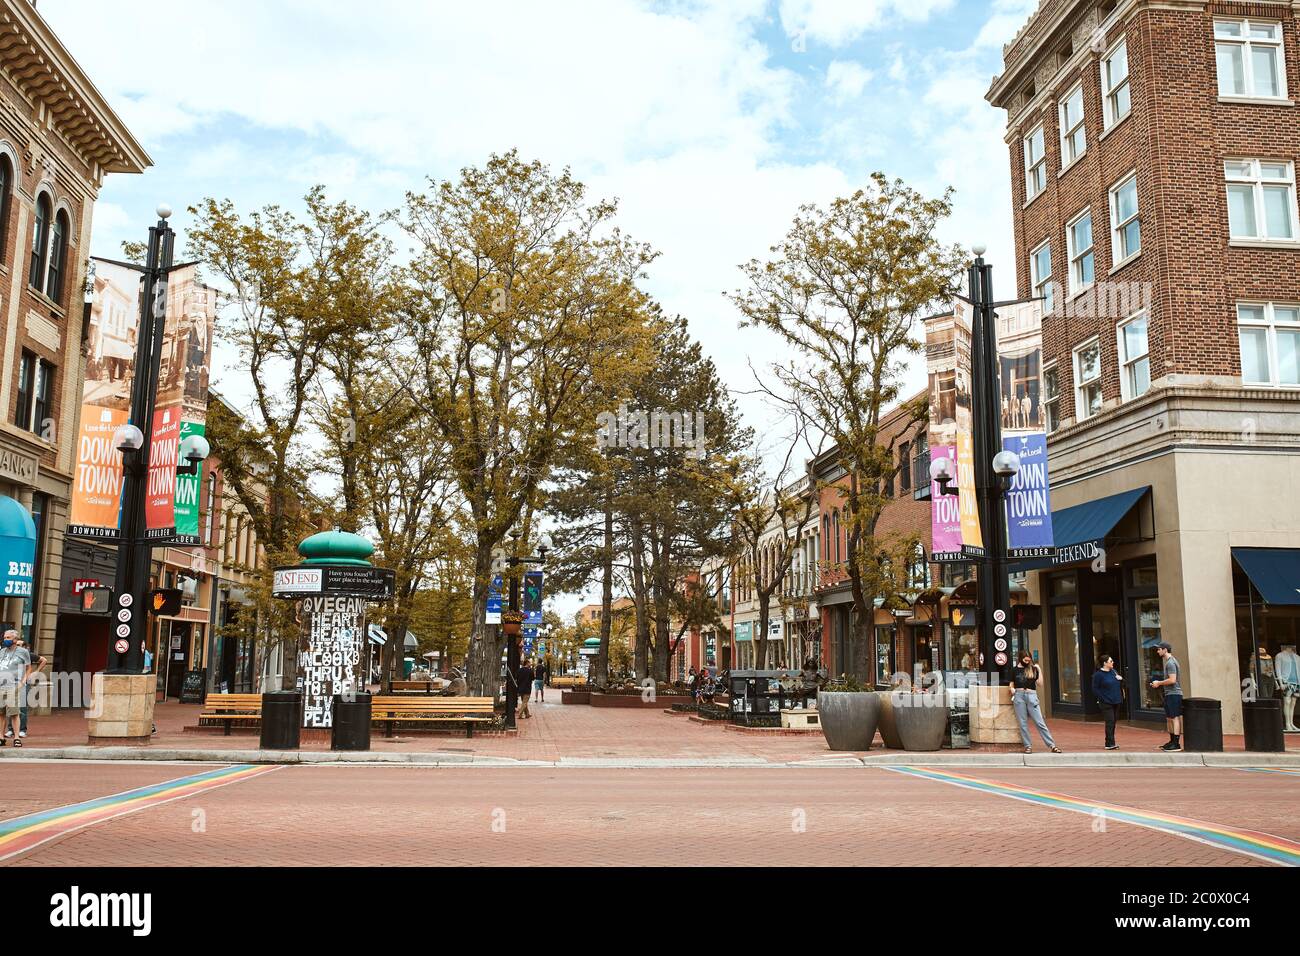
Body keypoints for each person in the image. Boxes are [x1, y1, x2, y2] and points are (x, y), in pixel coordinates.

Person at [1011, 651, 1061, 754]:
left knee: (1040, 722)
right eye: (1025, 659)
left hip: (1031, 696)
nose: (1027, 661)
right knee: (1023, 723)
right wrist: (1012, 689)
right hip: (1019, 695)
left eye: (1029, 659)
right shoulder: (1014, 670)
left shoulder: (1033, 669)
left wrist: (1039, 669)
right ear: (1021, 658)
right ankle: (1028, 746)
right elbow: (1011, 683)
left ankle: (1052, 745)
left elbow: (1040, 684)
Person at [0, 630, 32, 748]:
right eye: (4, 637)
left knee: (14, 713)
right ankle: (1, 737)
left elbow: (29, 668)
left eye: (8, 637)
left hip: (13, 686)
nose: (5, 640)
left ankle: (17, 737)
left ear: (15, 639)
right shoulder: (2, 651)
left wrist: (23, 682)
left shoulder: (23, 652)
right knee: (1, 713)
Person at [1149, 642, 1183, 751]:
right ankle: (1172, 741)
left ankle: (1176, 743)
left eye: (1159, 649)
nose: (1157, 651)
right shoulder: (1168, 662)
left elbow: (1172, 680)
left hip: (1174, 694)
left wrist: (1158, 683)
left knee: (1174, 717)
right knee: (1169, 718)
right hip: (1169, 694)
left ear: (1165, 650)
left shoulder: (1171, 663)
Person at [13, 637, 45, 739]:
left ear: (24, 647)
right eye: (16, 644)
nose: (16, 646)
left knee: (22, 708)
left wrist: (36, 672)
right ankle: (10, 730)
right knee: (10, 707)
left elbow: (44, 660)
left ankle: (22, 730)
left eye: (19, 645)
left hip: (23, 683)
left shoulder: (28, 655)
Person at [1091, 655, 1124, 750]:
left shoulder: (1114, 672)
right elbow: (1095, 689)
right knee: (1110, 721)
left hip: (1116, 701)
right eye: (1111, 661)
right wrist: (1103, 698)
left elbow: (1121, 684)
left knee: (1113, 722)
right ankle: (1109, 743)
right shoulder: (1098, 675)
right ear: (1105, 663)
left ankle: (1111, 742)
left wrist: (1121, 679)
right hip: (1106, 702)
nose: (1113, 662)